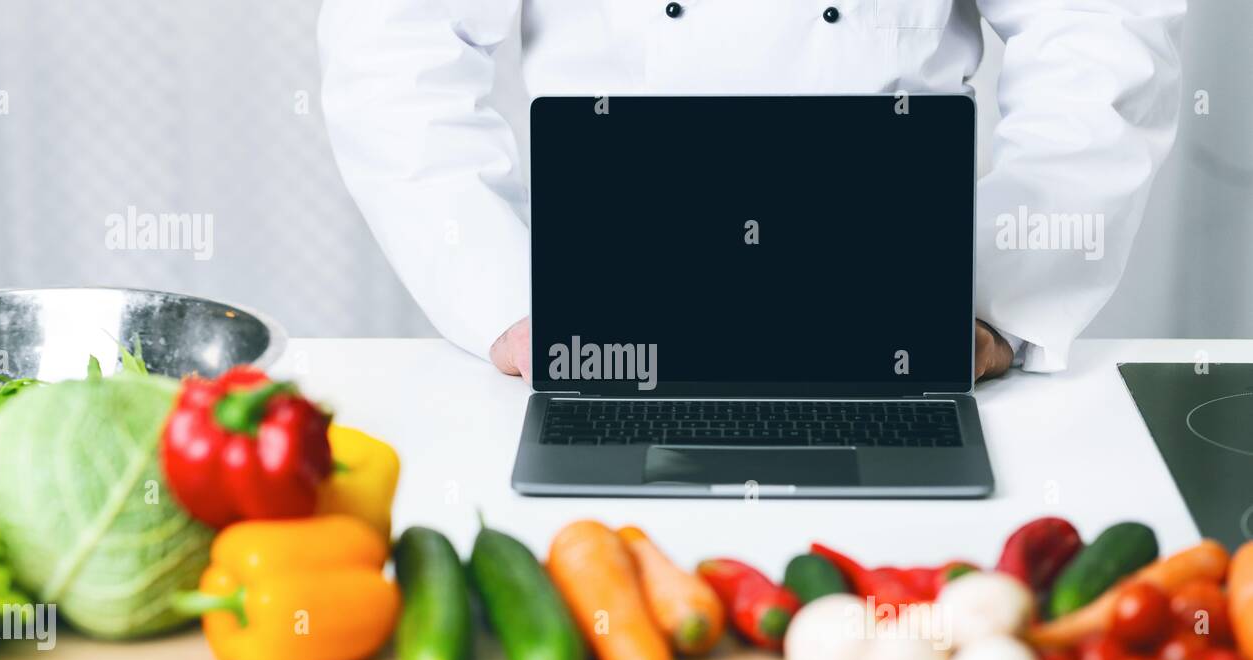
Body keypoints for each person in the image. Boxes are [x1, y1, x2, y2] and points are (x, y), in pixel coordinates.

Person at [318, 0, 1184, 382]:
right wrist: (505, 298)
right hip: (604, 325)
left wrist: (991, 293)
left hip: (905, 326)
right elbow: (394, 36)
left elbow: (1098, 28)